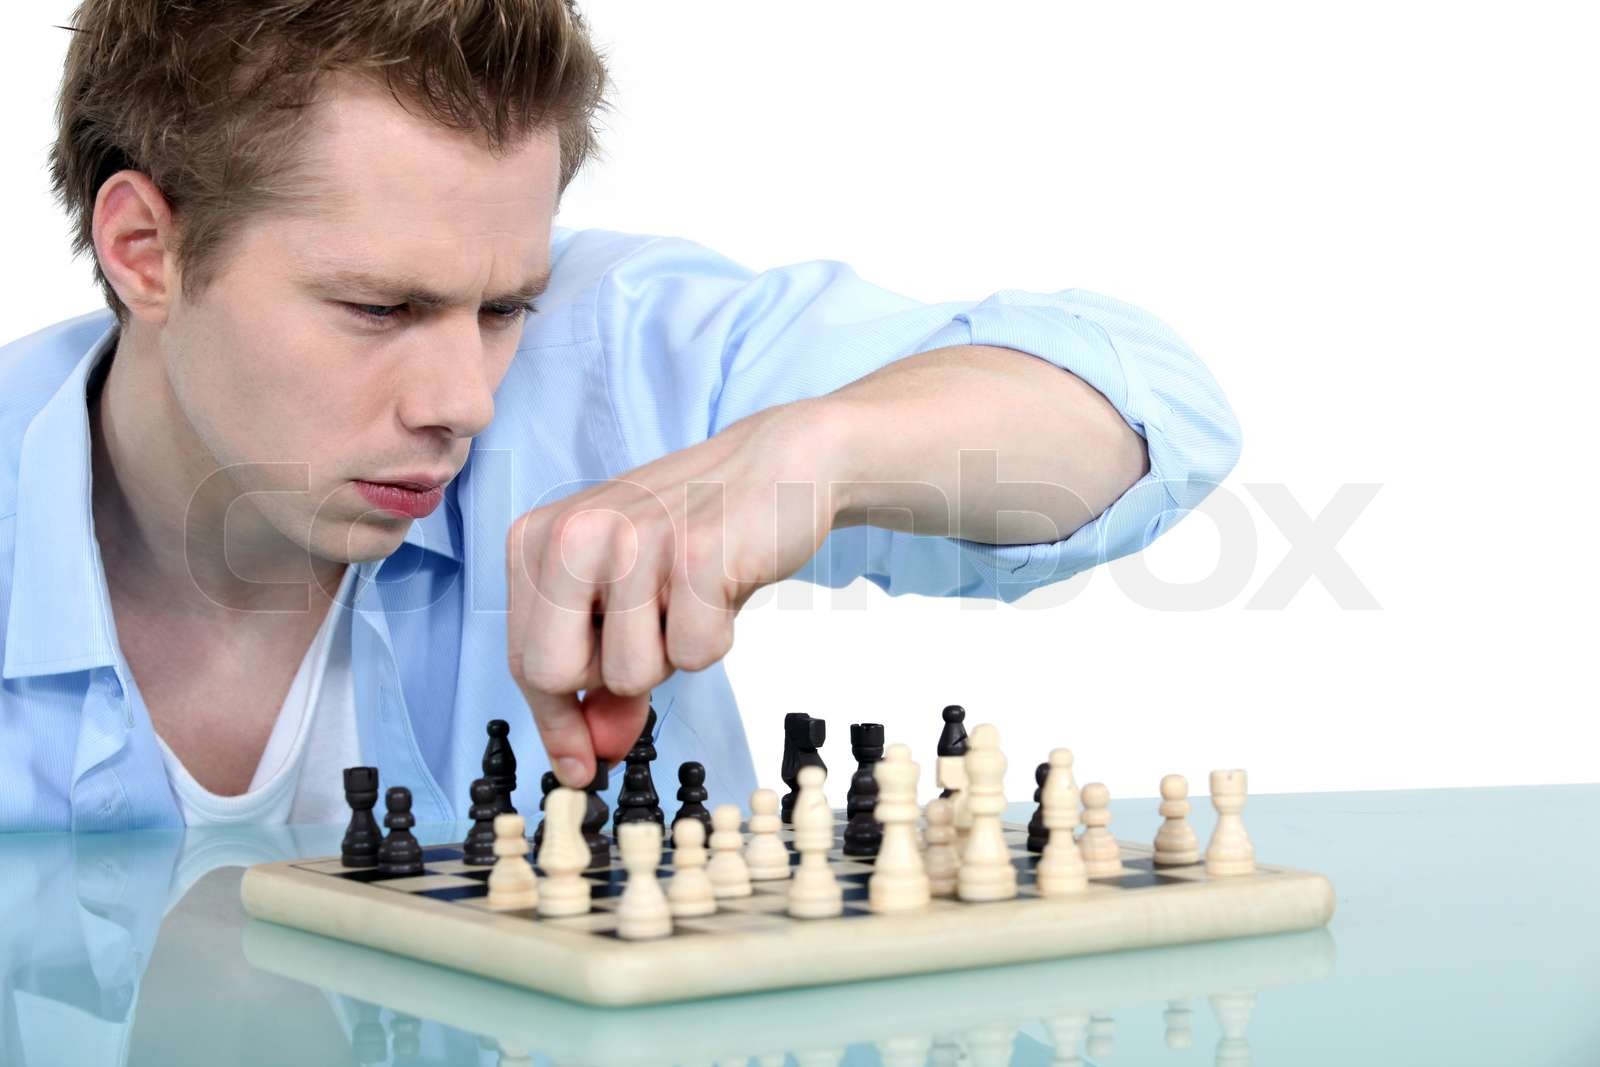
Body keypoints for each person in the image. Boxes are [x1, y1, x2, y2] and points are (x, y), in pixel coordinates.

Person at [0, 0, 1240, 832]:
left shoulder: (622, 358)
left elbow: (1149, 418)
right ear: (144, 247)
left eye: (503, 307)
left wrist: (805, 450)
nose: (464, 402)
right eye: (378, 307)